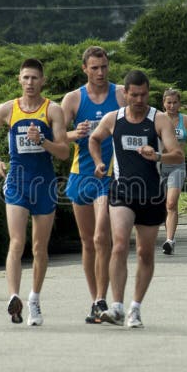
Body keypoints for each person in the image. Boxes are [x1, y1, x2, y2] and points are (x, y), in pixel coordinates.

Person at [88, 70, 183, 328]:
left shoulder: (159, 119)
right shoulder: (113, 119)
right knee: (119, 244)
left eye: (143, 94)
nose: (139, 99)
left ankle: (135, 308)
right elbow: (94, 139)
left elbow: (178, 154)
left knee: (144, 253)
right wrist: (98, 162)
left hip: (151, 194)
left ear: (148, 93)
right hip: (121, 192)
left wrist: (159, 156)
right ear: (125, 94)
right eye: (134, 95)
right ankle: (116, 306)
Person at [0, 58, 69, 327]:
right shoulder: (8, 109)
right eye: (25, 78)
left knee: (38, 247)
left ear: (43, 81)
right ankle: (13, 297)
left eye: (35, 78)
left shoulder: (52, 111)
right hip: (18, 183)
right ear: (19, 80)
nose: (30, 83)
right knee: (17, 242)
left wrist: (42, 140)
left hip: (43, 185)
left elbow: (65, 152)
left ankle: (34, 299)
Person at [60, 46, 125, 324]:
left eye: (104, 67)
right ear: (84, 68)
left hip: (108, 175)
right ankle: (95, 301)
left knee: (101, 237)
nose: (100, 73)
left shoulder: (120, 94)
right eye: (95, 68)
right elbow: (58, 136)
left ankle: (102, 297)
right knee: (88, 242)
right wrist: (76, 133)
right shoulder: (73, 99)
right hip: (80, 174)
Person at [159, 88, 187, 255]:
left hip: (177, 166)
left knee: (171, 203)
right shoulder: (157, 119)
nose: (172, 105)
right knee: (159, 204)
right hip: (158, 166)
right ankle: (164, 231)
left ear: (180, 103)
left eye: (175, 102)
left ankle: (170, 240)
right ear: (163, 103)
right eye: (168, 102)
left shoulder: (186, 119)